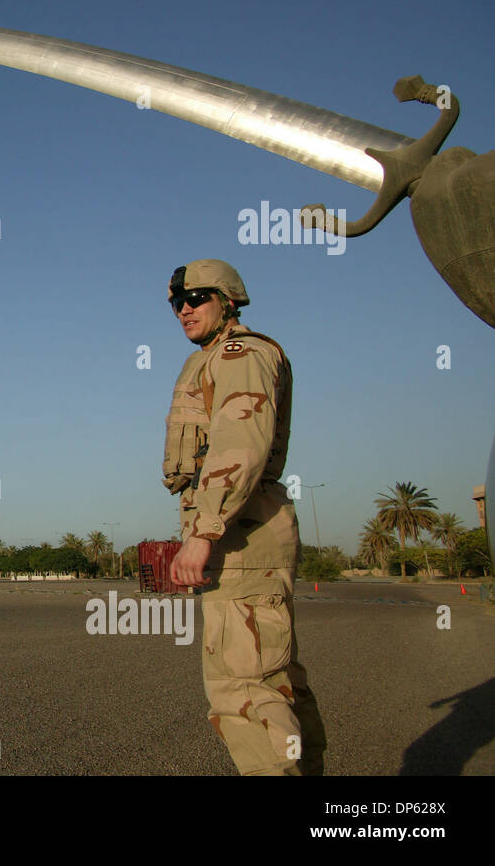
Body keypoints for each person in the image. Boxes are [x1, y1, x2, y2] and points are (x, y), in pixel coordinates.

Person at [162, 259, 327, 776]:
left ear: (229, 301)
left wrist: (204, 531)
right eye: (176, 302)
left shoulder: (239, 354)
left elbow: (239, 444)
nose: (184, 309)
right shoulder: (215, 357)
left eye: (197, 298)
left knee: (244, 690)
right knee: (275, 683)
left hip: (241, 534)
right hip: (242, 532)